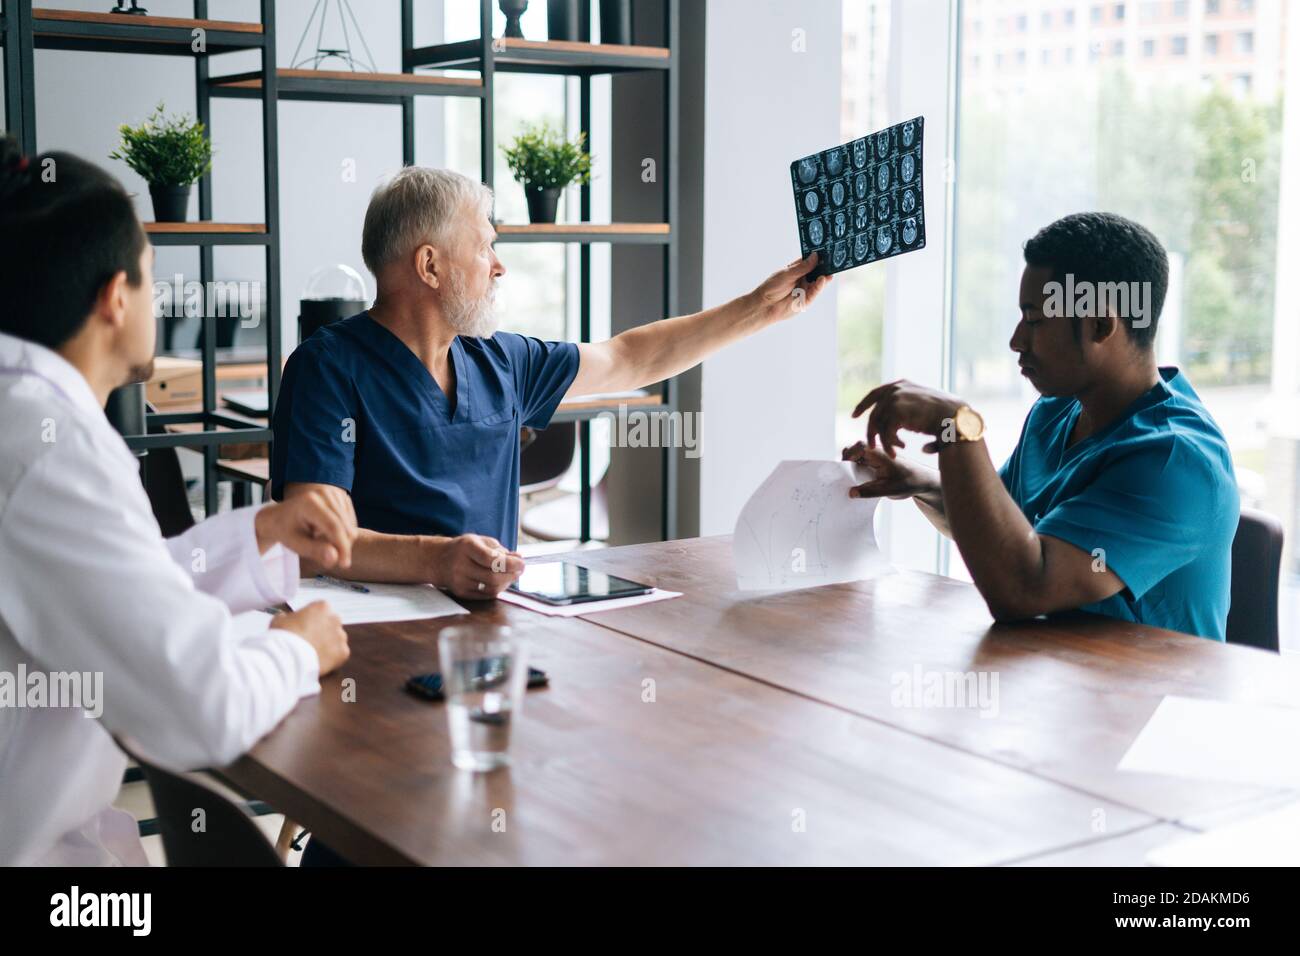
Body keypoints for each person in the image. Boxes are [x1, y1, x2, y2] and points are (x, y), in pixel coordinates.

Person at [0, 136, 359, 865]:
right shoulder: (52, 449)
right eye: (152, 276)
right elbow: (204, 709)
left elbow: (109, 586)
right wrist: (296, 648)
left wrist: (262, 530)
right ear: (115, 297)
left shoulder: (23, 418)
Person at [272, 166, 832, 599]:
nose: (498, 266)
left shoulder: (500, 362)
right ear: (430, 266)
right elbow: (315, 542)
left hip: (494, 623)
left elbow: (629, 358)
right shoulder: (326, 369)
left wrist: (759, 309)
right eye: (484, 246)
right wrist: (437, 560)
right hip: (373, 636)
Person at [844, 212, 1238, 641]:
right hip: (1057, 684)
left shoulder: (1174, 462)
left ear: (1101, 324)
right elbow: (999, 532)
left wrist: (958, 424)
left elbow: (1022, 587)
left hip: (1148, 701)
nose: (1016, 340)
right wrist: (919, 482)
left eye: (1034, 320)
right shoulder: (1056, 411)